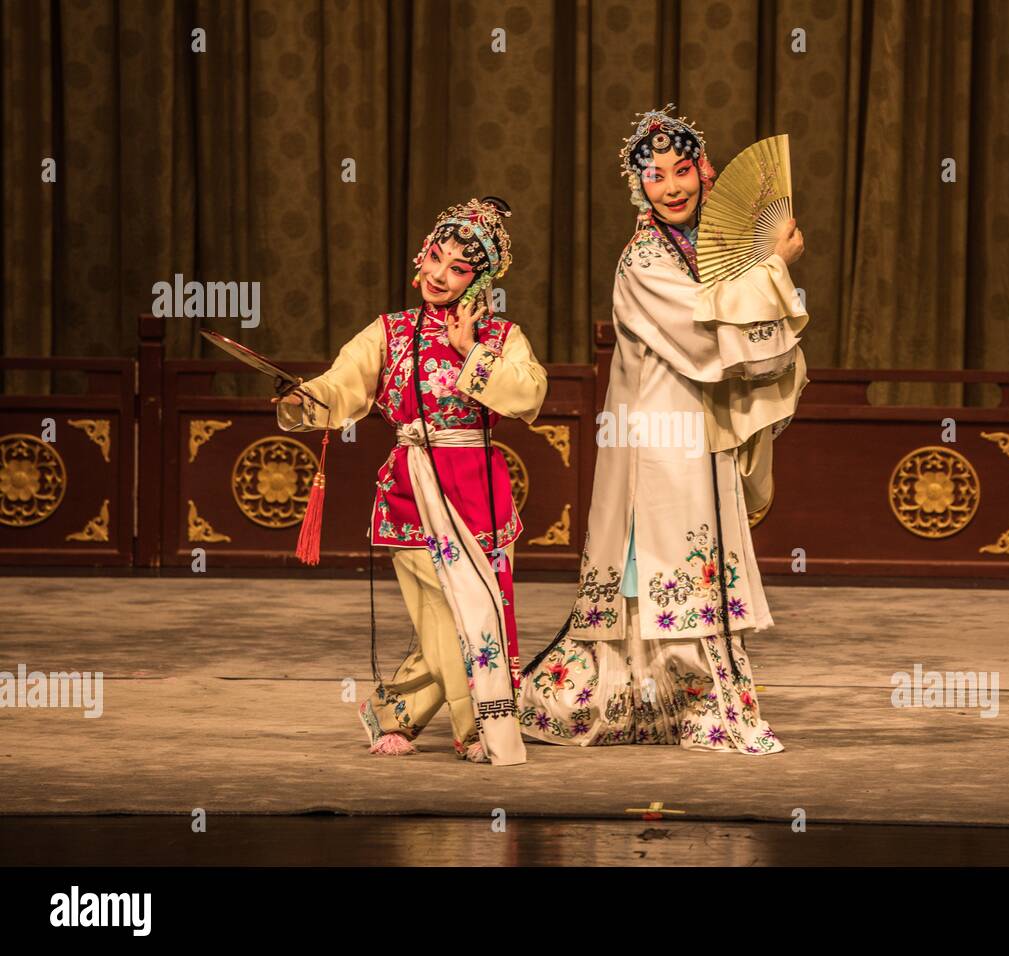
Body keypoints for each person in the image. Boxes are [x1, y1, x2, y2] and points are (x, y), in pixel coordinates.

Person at [518, 106, 808, 754]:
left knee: (681, 562)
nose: (672, 186)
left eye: (682, 170)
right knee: (662, 564)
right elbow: (703, 330)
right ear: (638, 188)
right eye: (655, 176)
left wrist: (764, 268)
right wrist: (774, 271)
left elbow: (733, 331)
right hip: (657, 437)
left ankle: (678, 707)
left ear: (704, 175)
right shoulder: (643, 262)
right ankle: (685, 706)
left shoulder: (704, 254)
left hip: (694, 430)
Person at [273, 197, 547, 766]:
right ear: (421, 255)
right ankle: (478, 728)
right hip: (413, 486)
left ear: (481, 280)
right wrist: (306, 402)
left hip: (480, 489)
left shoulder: (501, 336)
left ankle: (393, 713)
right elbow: (343, 383)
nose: (439, 276)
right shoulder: (389, 332)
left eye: (458, 269)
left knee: (475, 614)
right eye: (435, 258)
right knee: (446, 615)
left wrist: (470, 350)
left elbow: (530, 395)